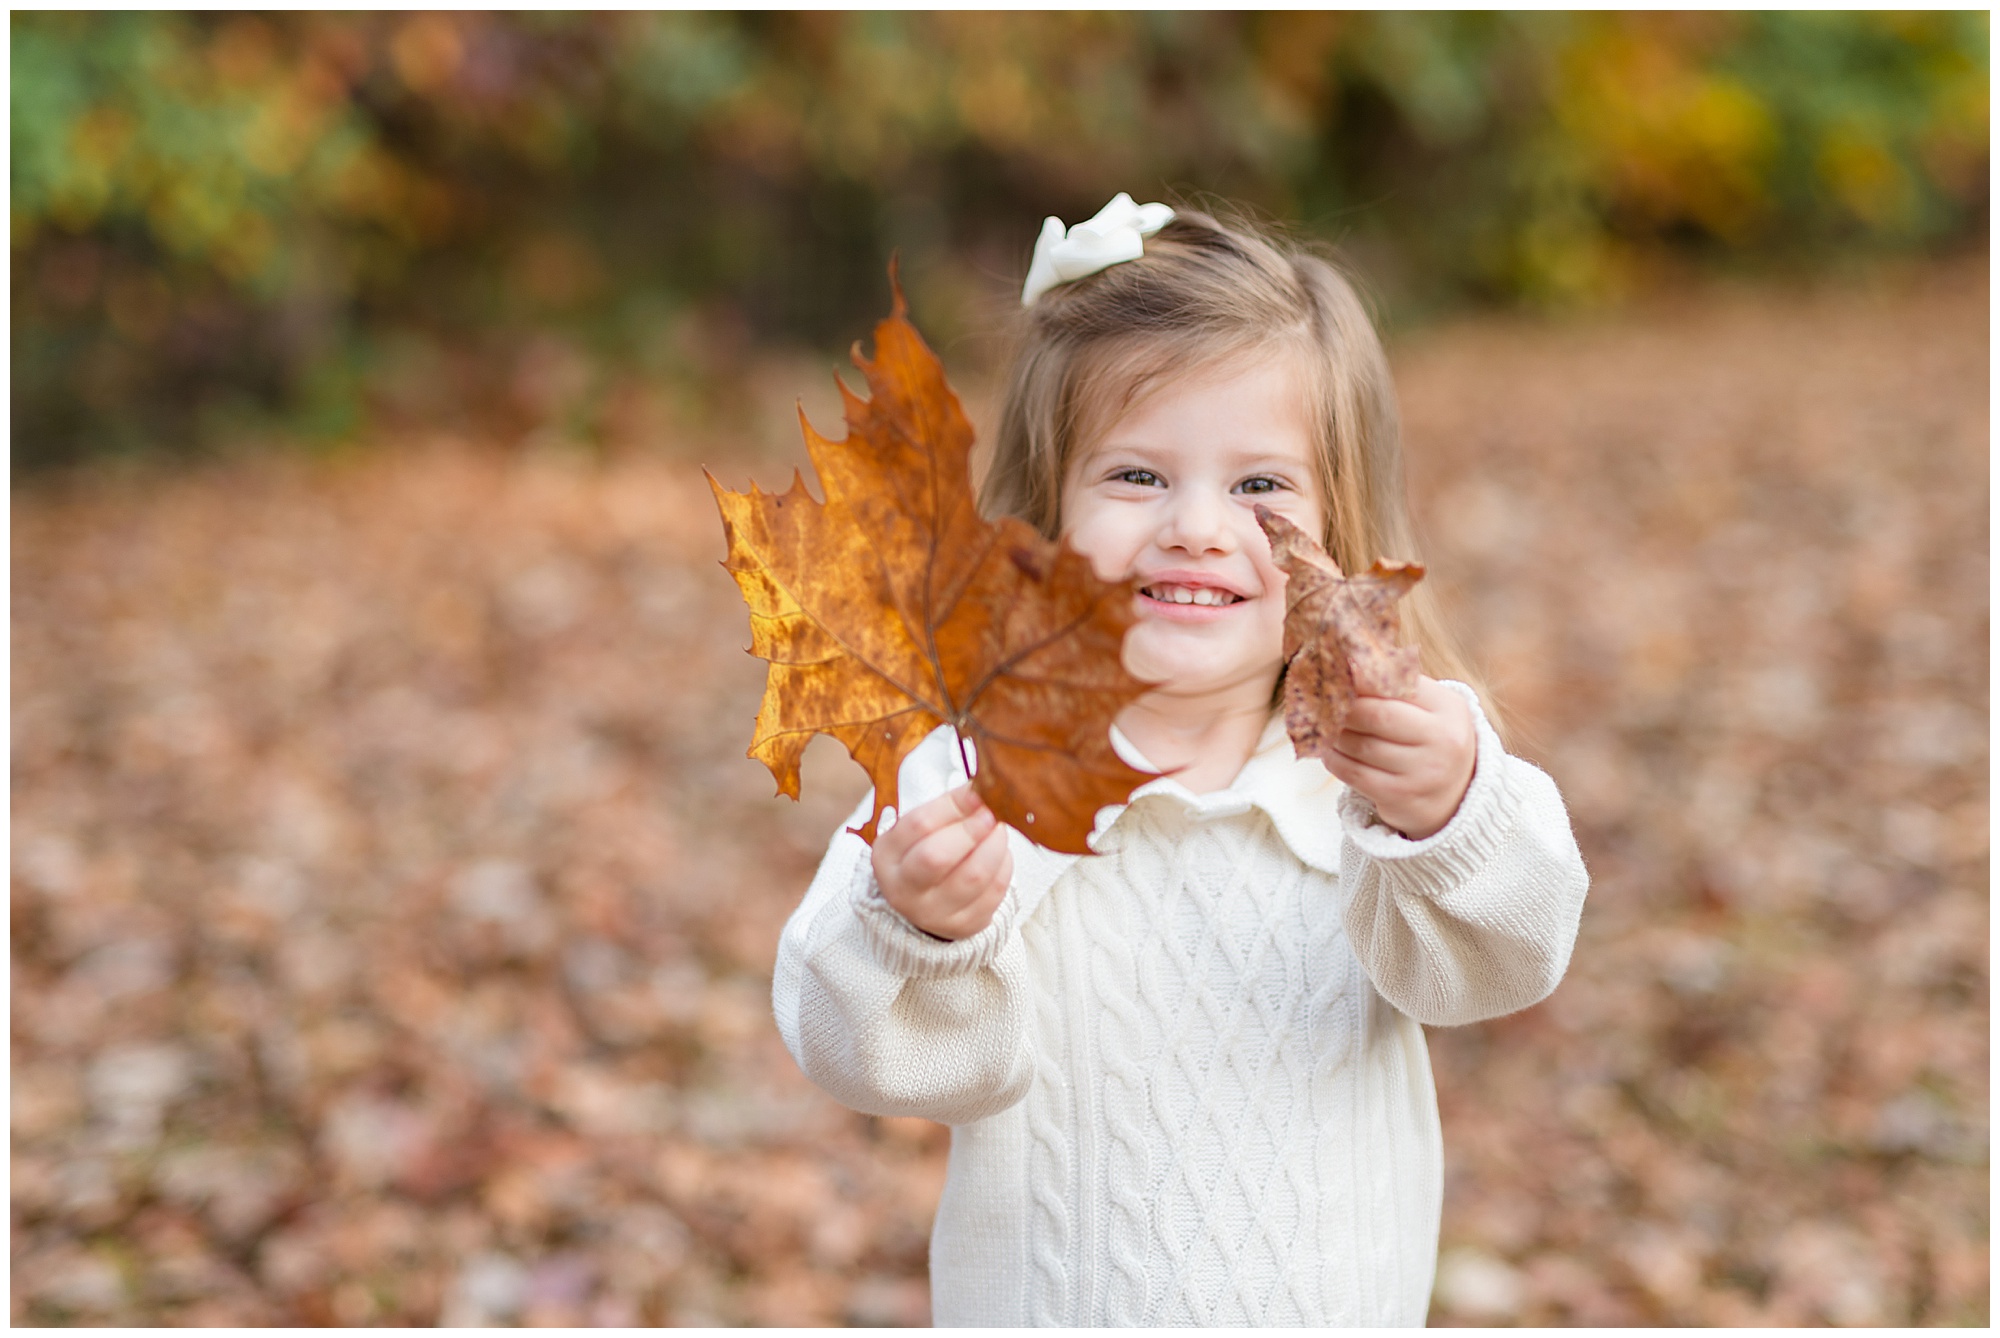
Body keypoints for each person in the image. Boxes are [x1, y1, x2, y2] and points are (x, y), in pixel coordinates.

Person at [770, 194, 1589, 1326]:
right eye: (1137, 477)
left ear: (1331, 542)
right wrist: (918, 927)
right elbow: (865, 1053)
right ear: (1041, 525)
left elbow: (1505, 961)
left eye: (1259, 486)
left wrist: (1453, 820)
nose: (1196, 526)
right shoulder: (978, 779)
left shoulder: (1378, 777)